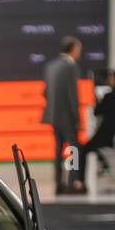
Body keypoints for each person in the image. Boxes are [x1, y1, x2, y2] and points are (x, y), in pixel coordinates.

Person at [41, 37, 83, 195]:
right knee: (73, 149)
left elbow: (45, 92)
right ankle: (72, 182)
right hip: (67, 117)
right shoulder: (71, 67)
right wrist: (77, 118)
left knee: (58, 150)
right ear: (73, 49)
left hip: (53, 116)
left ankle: (58, 183)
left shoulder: (50, 66)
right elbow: (73, 95)